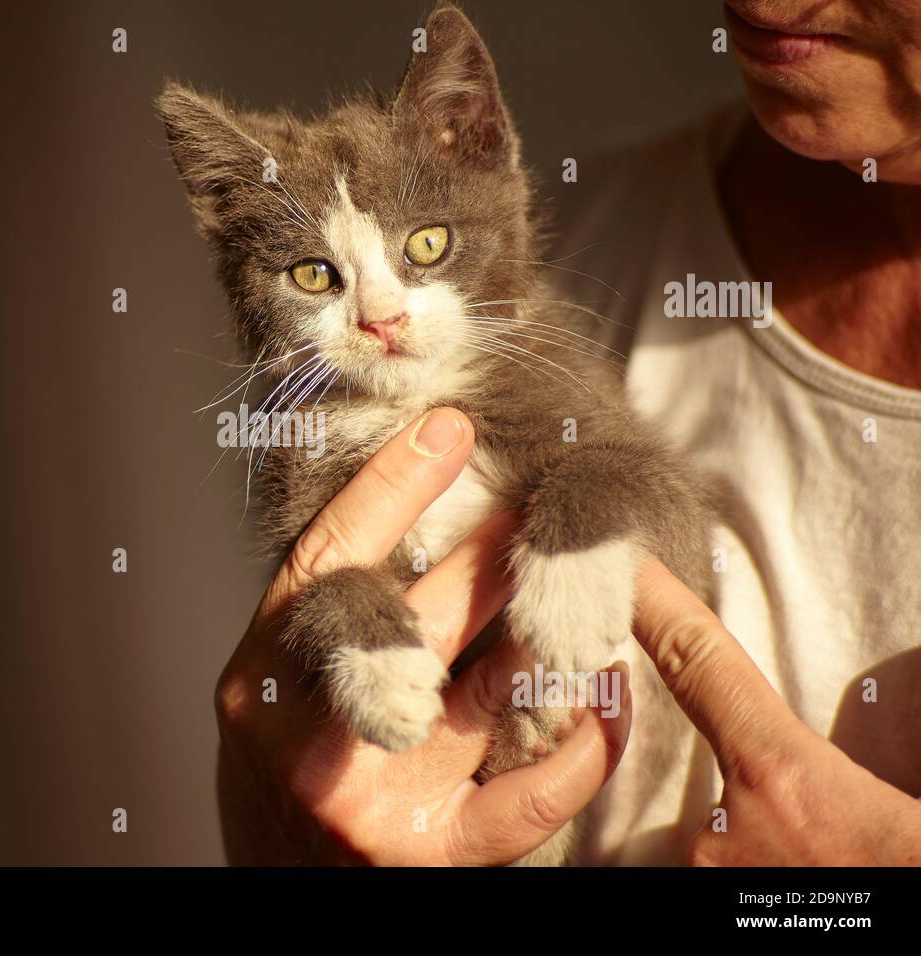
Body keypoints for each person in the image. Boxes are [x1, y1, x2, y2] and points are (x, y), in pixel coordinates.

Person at [214, 0, 921, 865]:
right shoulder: (582, 249)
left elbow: (630, 484)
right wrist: (276, 829)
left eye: (423, 246)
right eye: (317, 276)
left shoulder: (536, 335)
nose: (766, 5)